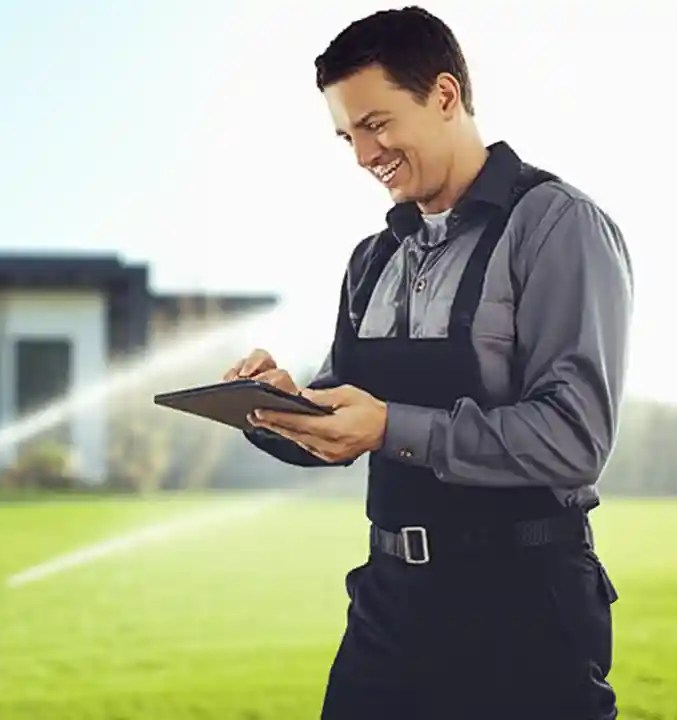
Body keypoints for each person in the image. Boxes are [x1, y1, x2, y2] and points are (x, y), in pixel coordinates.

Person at [223, 7, 632, 719]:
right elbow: (341, 420)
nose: (363, 154)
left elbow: (575, 438)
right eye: (347, 136)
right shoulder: (372, 258)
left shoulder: (556, 226)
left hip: (524, 612)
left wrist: (391, 427)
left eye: (376, 124)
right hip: (389, 607)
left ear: (444, 95)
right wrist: (273, 407)